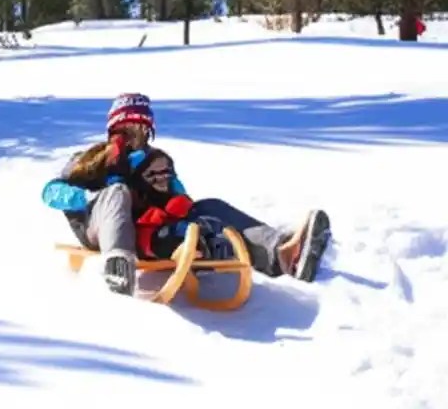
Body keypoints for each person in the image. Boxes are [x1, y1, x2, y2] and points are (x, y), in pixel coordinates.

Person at [41, 92, 331, 296]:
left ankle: (281, 253)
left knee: (210, 205)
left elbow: (182, 200)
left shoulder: (157, 160)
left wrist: (189, 217)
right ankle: (119, 265)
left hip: (151, 230)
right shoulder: (92, 158)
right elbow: (50, 192)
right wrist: (89, 198)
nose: (133, 135)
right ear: (113, 130)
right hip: (100, 228)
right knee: (117, 191)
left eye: (140, 129)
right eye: (126, 128)